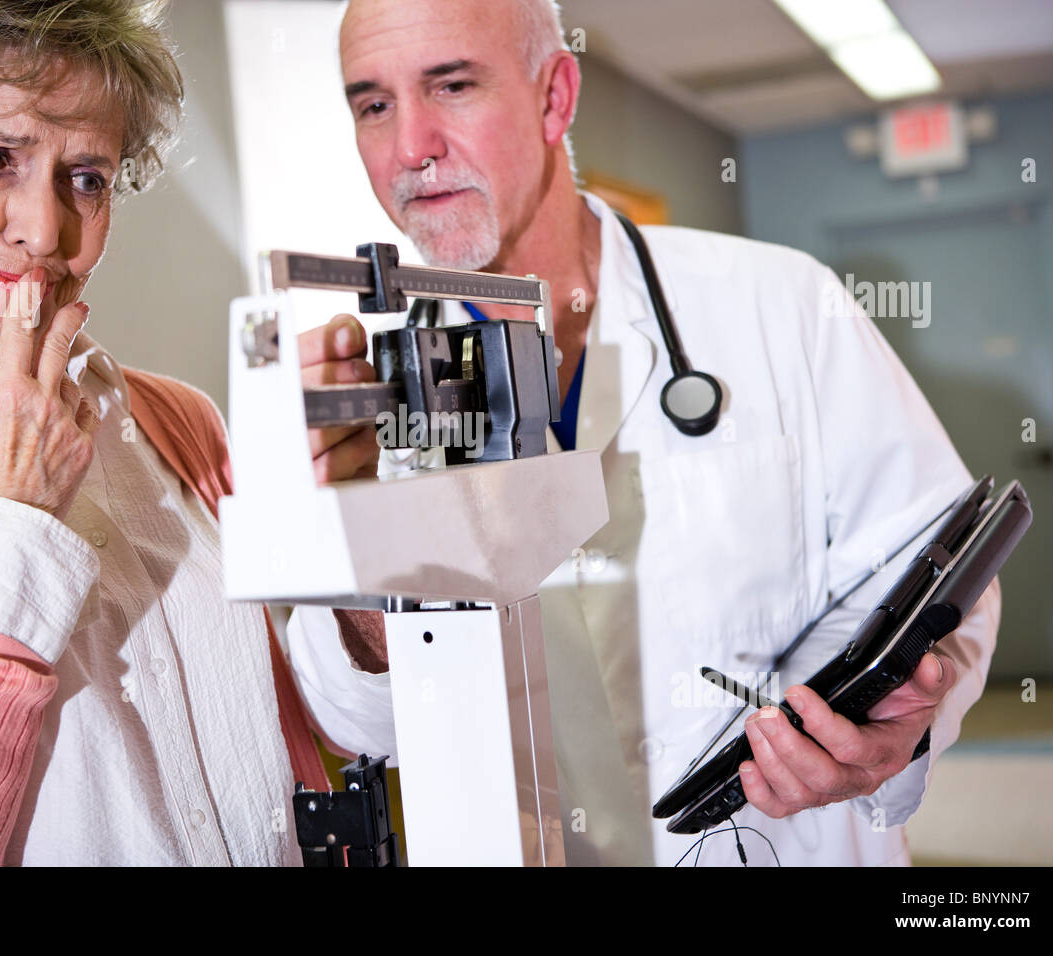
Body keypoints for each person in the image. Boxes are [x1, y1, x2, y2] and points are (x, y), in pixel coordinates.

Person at [285, 0, 1001, 865]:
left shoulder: (783, 306)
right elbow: (349, 722)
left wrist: (898, 732)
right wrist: (373, 546)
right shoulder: (355, 403)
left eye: (452, 85)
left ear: (556, 97)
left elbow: (942, 581)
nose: (410, 146)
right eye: (374, 105)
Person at [0, 0, 379, 866]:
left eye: (87, 178)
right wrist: (8, 531)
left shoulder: (177, 421)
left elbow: (344, 732)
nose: (45, 231)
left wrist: (349, 541)